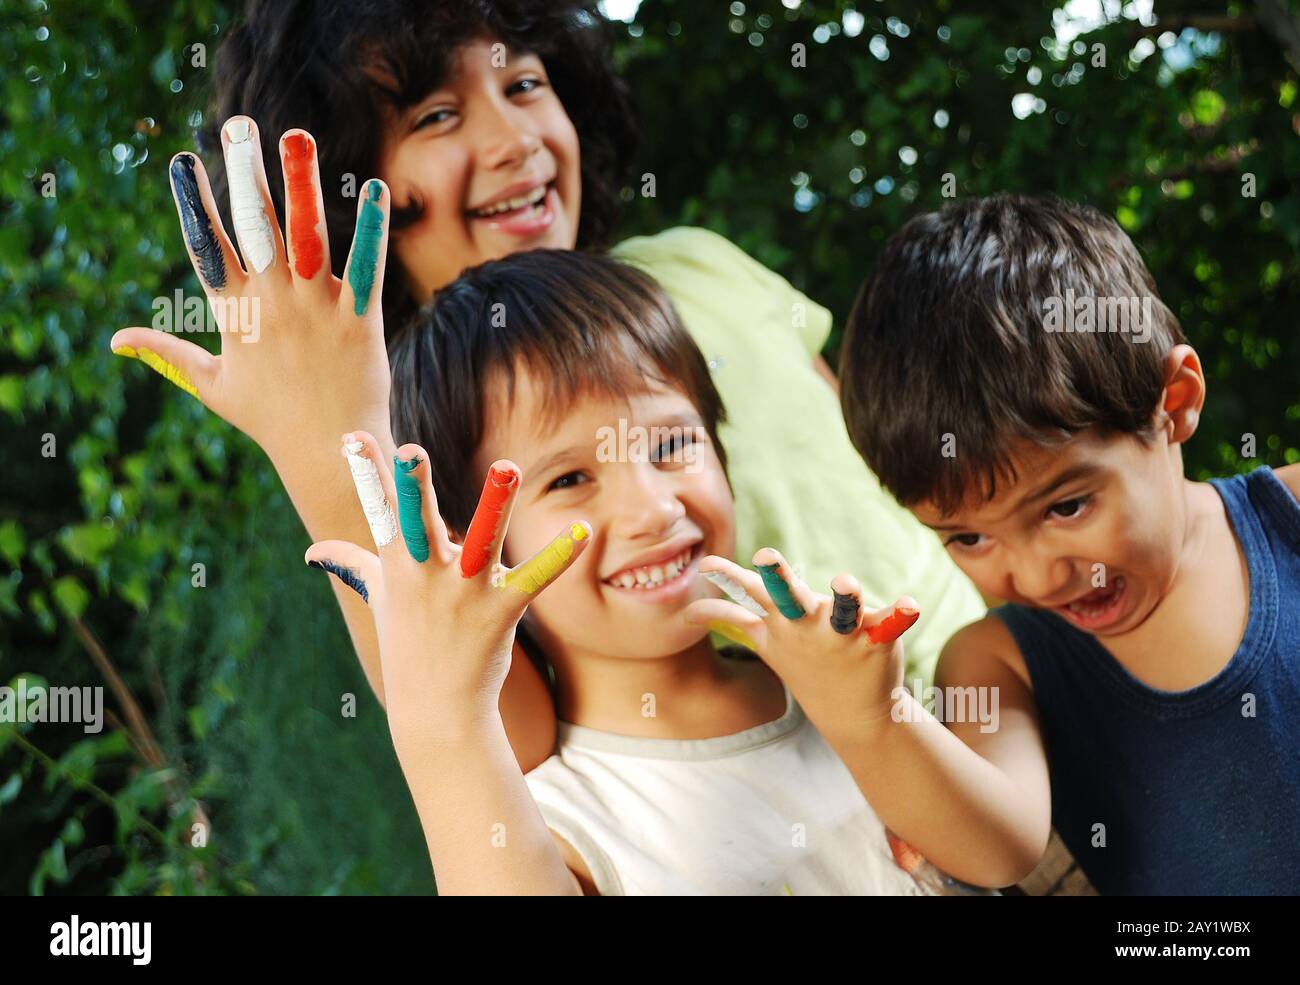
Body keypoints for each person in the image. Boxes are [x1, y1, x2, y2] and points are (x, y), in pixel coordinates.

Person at [110, 0, 984, 775]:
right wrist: (326, 443)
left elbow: (901, 476)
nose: (512, 139)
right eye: (438, 114)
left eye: (524, 85)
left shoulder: (697, 263)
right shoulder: (416, 441)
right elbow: (506, 745)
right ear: (354, 186)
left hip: (1020, 682)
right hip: (865, 798)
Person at [311, 248, 959, 894]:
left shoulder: (836, 687)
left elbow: (1001, 853)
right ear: (471, 549)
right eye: (569, 478)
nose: (653, 508)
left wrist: (876, 717)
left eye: (673, 445)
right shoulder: (554, 832)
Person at [701, 194, 1297, 892]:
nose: (1039, 577)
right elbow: (998, 848)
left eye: (1067, 506)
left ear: (1174, 401)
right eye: (969, 536)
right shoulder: (996, 660)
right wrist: (870, 716)